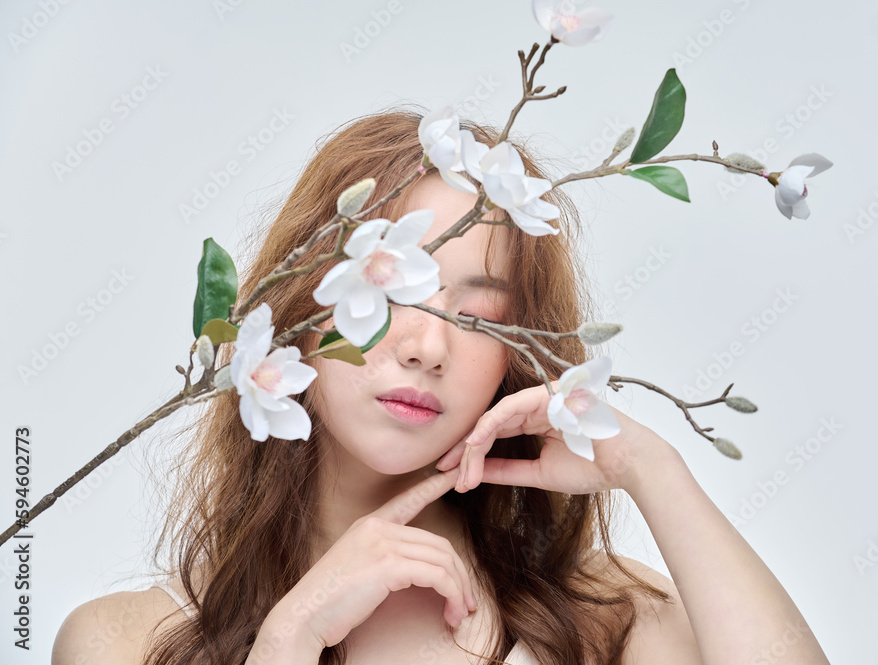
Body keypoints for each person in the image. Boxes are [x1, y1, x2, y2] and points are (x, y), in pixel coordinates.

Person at [52, 109, 831, 665]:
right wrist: (287, 642)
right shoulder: (123, 643)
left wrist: (649, 468)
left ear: (516, 360)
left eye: (481, 315)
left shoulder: (601, 616)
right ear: (297, 310)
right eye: (392, 297)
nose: (429, 347)